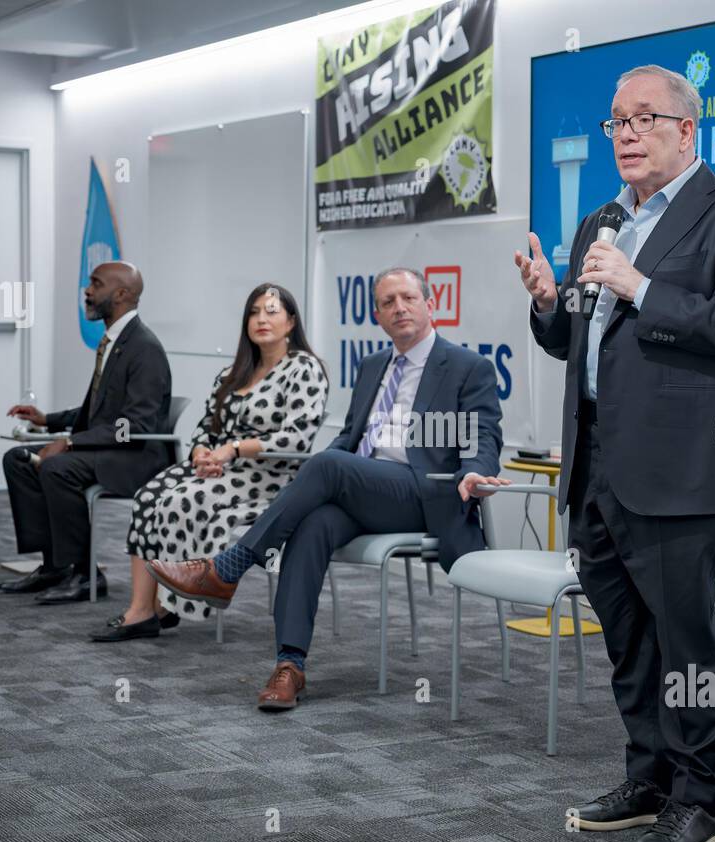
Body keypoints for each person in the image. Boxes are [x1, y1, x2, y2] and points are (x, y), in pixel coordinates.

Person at [515, 65, 715, 842]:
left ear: (686, 130)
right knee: (627, 636)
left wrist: (641, 285)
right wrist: (545, 303)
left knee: (685, 638)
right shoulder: (601, 218)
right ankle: (649, 776)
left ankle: (699, 798)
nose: (625, 135)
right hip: (597, 462)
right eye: (615, 123)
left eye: (642, 119)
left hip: (682, 468)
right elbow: (576, 343)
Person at [147, 267, 510, 710]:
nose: (399, 308)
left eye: (408, 298)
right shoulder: (374, 364)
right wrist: (332, 467)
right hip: (367, 489)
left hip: (425, 494)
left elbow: (484, 436)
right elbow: (352, 437)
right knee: (313, 523)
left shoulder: (466, 367)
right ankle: (289, 666)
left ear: (429, 305)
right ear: (377, 315)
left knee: (329, 465)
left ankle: (228, 567)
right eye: (388, 302)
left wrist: (475, 471)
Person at [93, 283, 328, 641]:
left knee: (181, 499)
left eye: (271, 311)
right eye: (254, 312)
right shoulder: (232, 373)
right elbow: (206, 428)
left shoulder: (304, 369)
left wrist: (233, 449)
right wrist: (201, 452)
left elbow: (296, 438)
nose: (261, 319)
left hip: (269, 475)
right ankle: (141, 610)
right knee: (146, 498)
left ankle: (168, 604)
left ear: (291, 322)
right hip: (216, 468)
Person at [1, 261, 173, 604]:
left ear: (121, 294)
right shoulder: (115, 342)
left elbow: (132, 426)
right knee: (19, 459)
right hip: (110, 450)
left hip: (135, 458)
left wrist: (71, 441)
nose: (87, 290)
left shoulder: (144, 347)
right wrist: (48, 419)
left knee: (58, 466)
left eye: (96, 284)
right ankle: (53, 565)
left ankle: (84, 573)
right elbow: (100, 412)